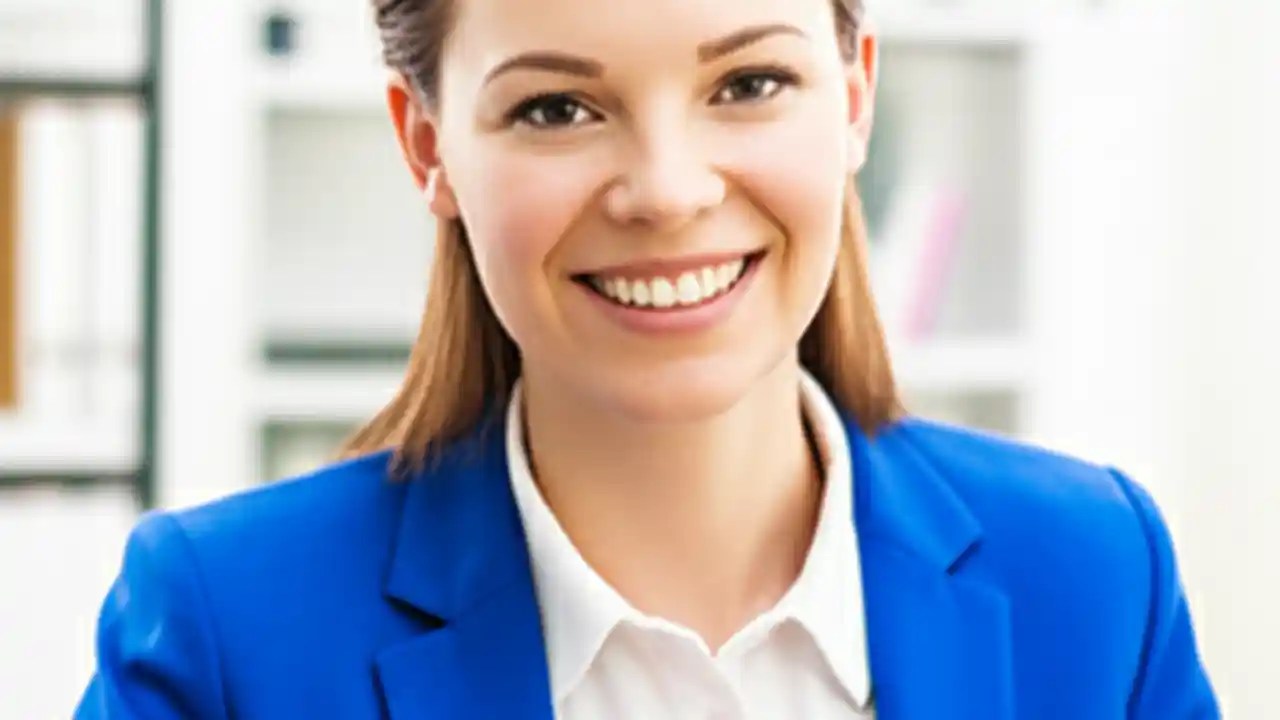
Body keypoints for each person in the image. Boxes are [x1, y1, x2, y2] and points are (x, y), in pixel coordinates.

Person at [75, 0, 1220, 717]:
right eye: (557, 108)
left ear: (854, 92)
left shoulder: (1092, 578)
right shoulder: (231, 634)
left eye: (748, 84)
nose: (667, 190)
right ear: (426, 144)